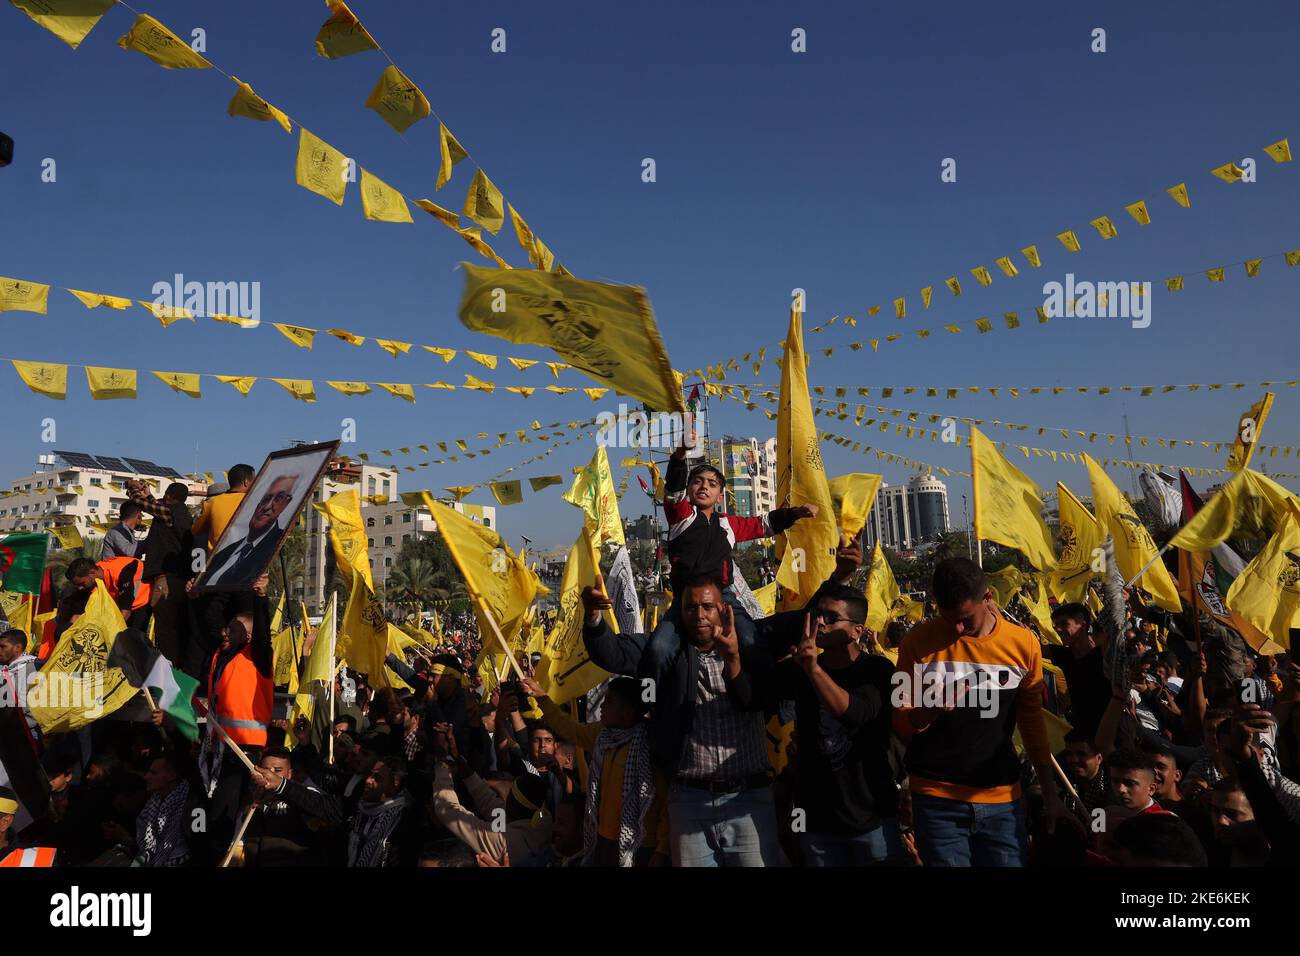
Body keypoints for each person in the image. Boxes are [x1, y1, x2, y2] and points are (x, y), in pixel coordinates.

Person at [584, 574, 780, 867]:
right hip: (689, 801)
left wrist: (734, 659)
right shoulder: (664, 653)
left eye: (707, 606)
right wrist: (593, 616)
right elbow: (613, 654)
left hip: (748, 799)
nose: (699, 615)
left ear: (723, 609)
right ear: (680, 612)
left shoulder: (751, 648)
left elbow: (759, 702)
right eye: (690, 607)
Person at [893, 557, 1071, 867]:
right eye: (948, 619)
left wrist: (1049, 791)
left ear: (987, 598)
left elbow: (1032, 726)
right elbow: (899, 722)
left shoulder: (1024, 644)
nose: (958, 629)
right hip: (937, 800)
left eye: (966, 619)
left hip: (1002, 800)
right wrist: (928, 711)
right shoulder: (914, 644)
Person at [726, 584, 901, 866]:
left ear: (857, 630)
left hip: (872, 821)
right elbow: (751, 698)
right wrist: (732, 656)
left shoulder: (877, 671)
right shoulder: (801, 668)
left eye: (831, 617)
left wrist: (814, 670)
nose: (820, 622)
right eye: (817, 614)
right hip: (818, 824)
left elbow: (854, 713)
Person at [642, 426, 819, 670]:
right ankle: (657, 703)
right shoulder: (680, 515)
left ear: (720, 496)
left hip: (724, 598)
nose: (704, 487)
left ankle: (761, 700)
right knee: (659, 649)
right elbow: (672, 490)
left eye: (712, 484)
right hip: (686, 600)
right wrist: (680, 453)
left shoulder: (729, 523)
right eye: (698, 482)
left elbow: (763, 524)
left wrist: (795, 513)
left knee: (750, 640)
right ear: (689, 489)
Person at [518, 674, 669, 866]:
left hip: (640, 844)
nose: (602, 707)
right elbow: (571, 729)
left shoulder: (649, 745)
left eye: (610, 702)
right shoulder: (602, 735)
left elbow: (665, 801)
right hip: (603, 839)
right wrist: (541, 697)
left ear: (628, 712)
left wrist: (662, 850)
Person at [253, 751, 423, 867]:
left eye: (377, 778)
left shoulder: (404, 822)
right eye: (370, 774)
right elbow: (318, 803)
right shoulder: (356, 806)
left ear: (395, 784)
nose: (368, 780)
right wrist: (281, 785)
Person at [429, 724, 553, 867]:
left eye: (509, 797)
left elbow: (447, 810)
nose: (503, 801)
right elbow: (487, 800)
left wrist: (442, 761)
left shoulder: (503, 841)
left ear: (513, 805)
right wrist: (457, 758)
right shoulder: (543, 819)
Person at [206, 474, 300, 587]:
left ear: (287, 504)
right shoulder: (227, 550)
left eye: (278, 498)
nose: (267, 506)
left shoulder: (276, 543)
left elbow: (196, 533)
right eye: (265, 498)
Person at [1047, 602, 1111, 741]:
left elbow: (1115, 627)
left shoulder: (1103, 655)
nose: (1057, 629)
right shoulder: (1063, 655)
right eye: (1055, 625)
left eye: (1064, 624)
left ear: (1082, 625)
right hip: (1083, 733)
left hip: (1111, 733)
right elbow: (1028, 646)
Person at [64, 556, 151, 628]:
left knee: (133, 639)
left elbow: (125, 613)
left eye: (82, 584)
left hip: (141, 601)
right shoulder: (93, 572)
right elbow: (76, 615)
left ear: (92, 573)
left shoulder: (122, 574)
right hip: (121, 604)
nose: (80, 588)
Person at [194, 463, 255, 555]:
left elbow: (196, 530)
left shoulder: (212, 502)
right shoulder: (254, 501)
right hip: (245, 559)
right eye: (253, 480)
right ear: (246, 482)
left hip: (217, 560)